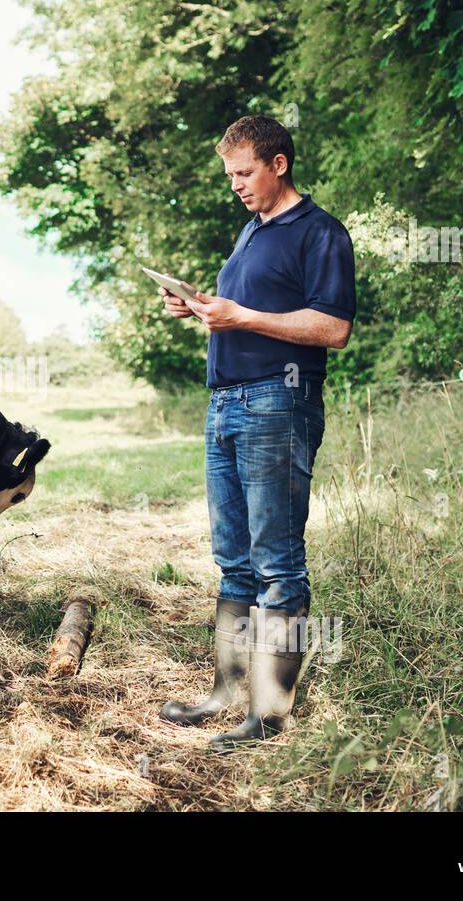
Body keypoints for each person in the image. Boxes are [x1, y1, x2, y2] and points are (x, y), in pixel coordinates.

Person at [158, 115, 355, 749]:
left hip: (279, 403)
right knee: (233, 563)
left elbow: (332, 328)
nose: (236, 185)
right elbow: (243, 321)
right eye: (230, 175)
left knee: (278, 565)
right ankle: (225, 694)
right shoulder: (250, 232)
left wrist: (240, 314)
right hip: (226, 405)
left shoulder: (320, 233)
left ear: (278, 164)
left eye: (244, 173)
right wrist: (200, 310)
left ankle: (270, 715)